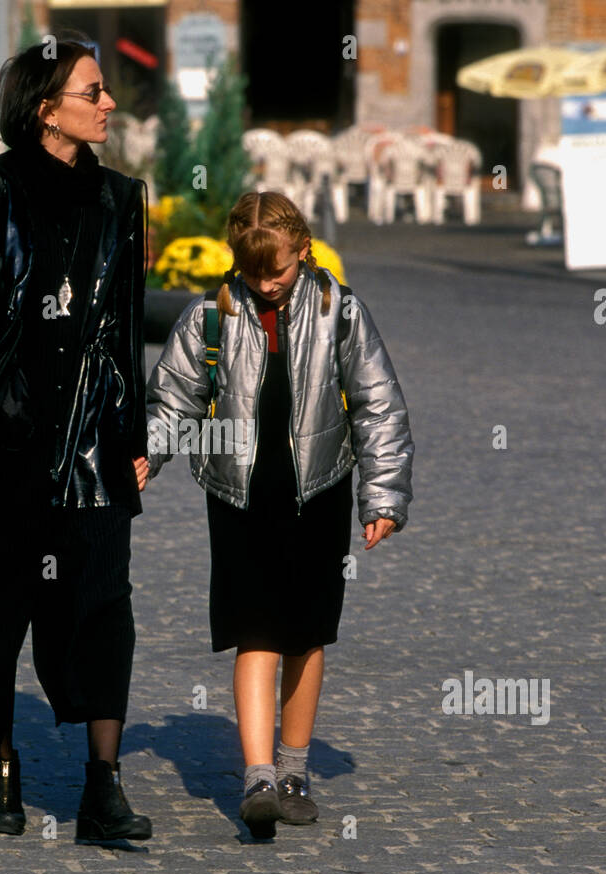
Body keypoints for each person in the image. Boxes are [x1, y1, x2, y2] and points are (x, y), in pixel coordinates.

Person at [0, 36, 154, 843]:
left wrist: (134, 430)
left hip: (93, 443)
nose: (108, 103)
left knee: (101, 609)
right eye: (93, 91)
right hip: (6, 449)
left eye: (106, 90)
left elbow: (123, 330)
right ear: (47, 109)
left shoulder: (121, 197)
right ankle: (1, 769)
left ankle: (102, 788)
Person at [144, 191, 414, 839]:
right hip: (237, 494)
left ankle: (295, 770)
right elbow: (173, 398)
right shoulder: (210, 313)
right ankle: (259, 777)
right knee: (255, 628)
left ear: (305, 251)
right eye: (254, 271)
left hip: (319, 489)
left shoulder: (340, 312)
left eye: (279, 271)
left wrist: (383, 498)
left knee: (308, 631)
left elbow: (379, 406)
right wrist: (148, 454)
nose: (267, 284)